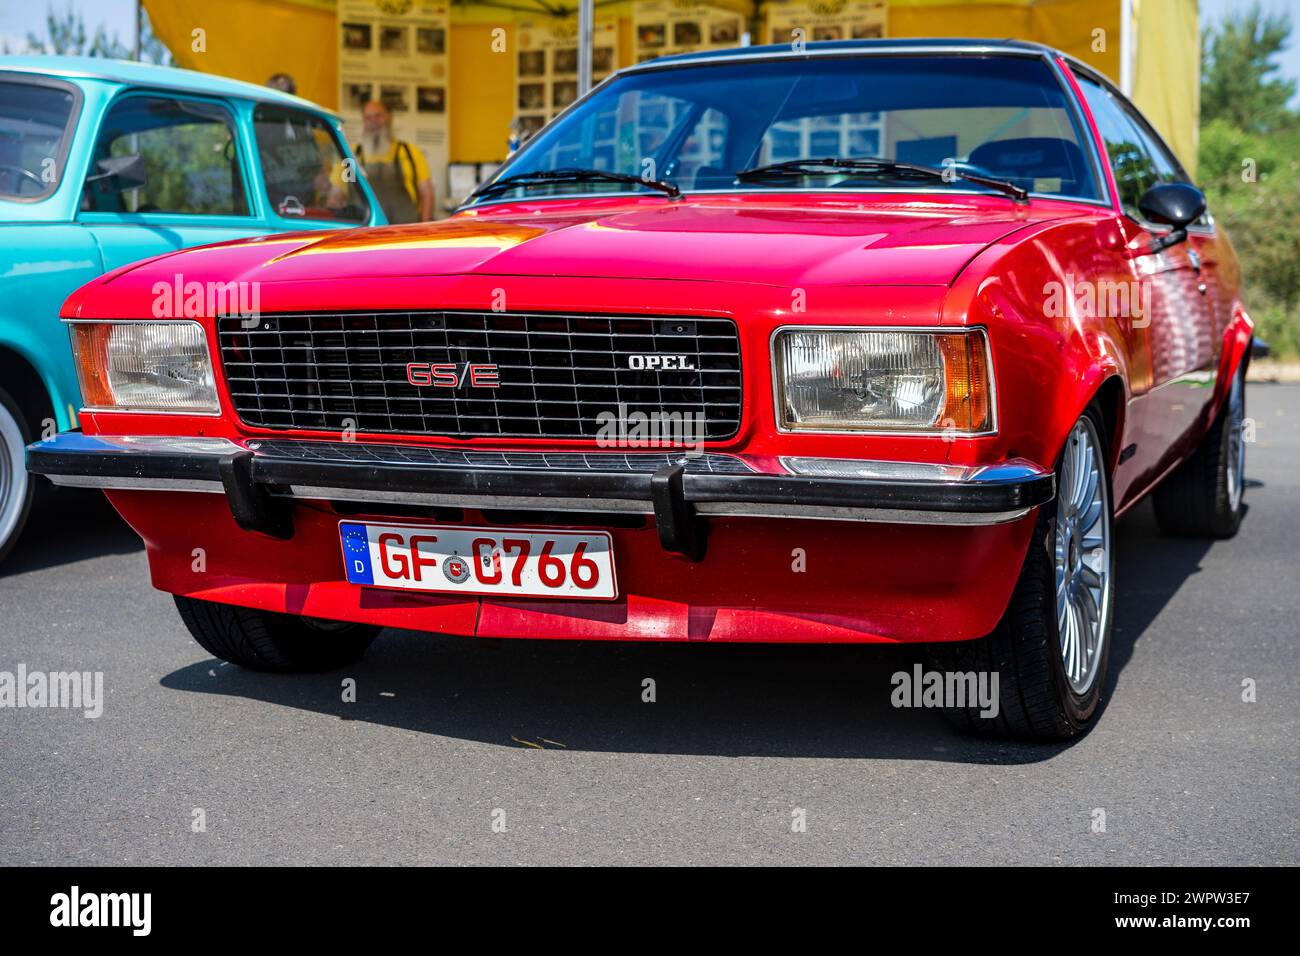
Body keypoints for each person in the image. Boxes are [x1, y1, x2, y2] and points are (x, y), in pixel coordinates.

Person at [353, 99, 435, 222]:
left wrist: (424, 228)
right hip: (362, 234)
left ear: (390, 117)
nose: (373, 122)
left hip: (405, 233)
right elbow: (338, 193)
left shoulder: (410, 153)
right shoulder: (351, 156)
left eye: (378, 116)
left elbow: (426, 193)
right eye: (368, 118)